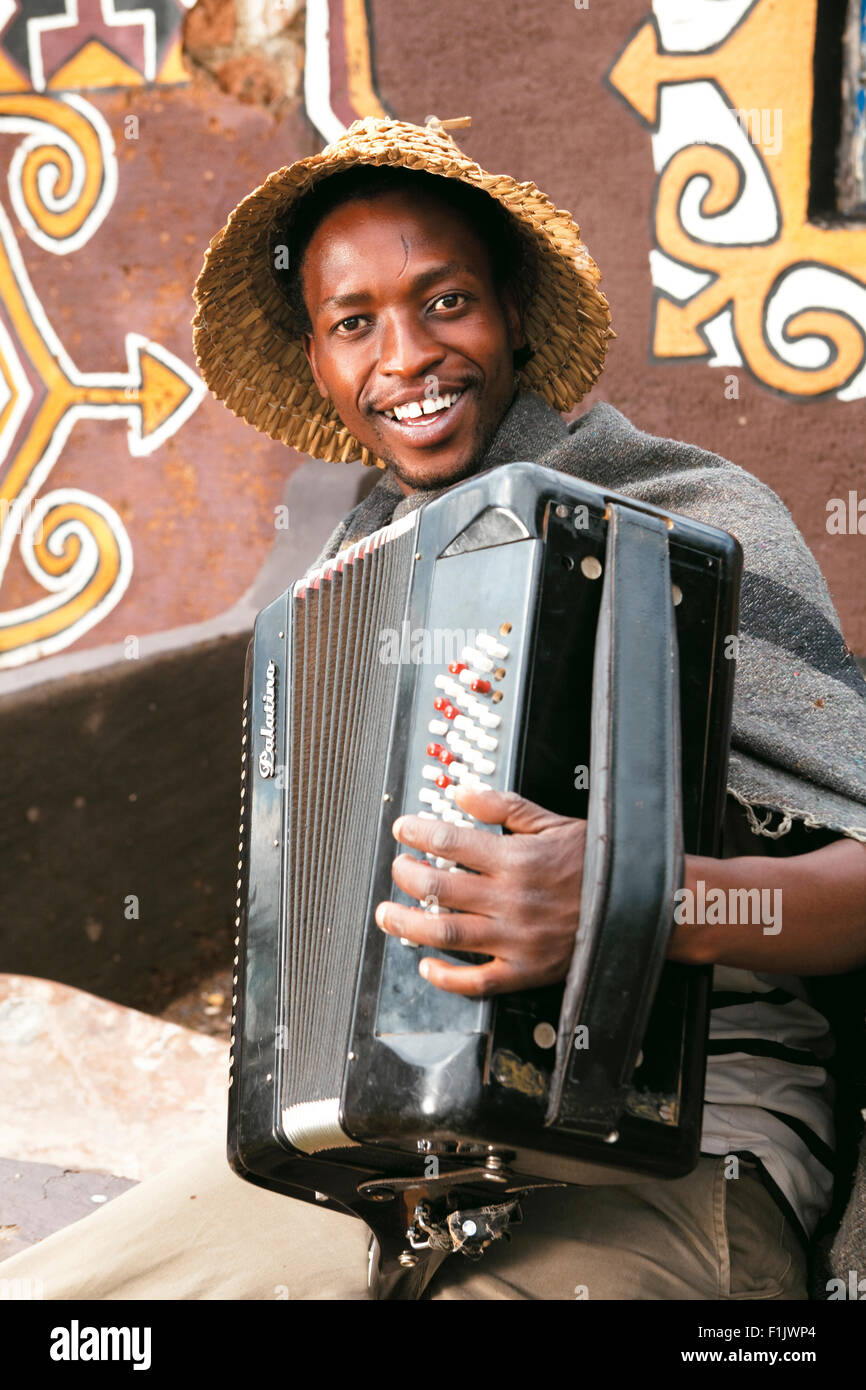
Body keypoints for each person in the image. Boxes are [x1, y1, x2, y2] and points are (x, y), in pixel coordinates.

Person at [4, 116, 865, 1301]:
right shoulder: (353, 575)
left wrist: (630, 899)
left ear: (509, 313)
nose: (404, 355)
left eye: (443, 300)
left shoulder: (683, 518)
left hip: (687, 1143)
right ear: (319, 362)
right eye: (353, 322)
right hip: (391, 1145)